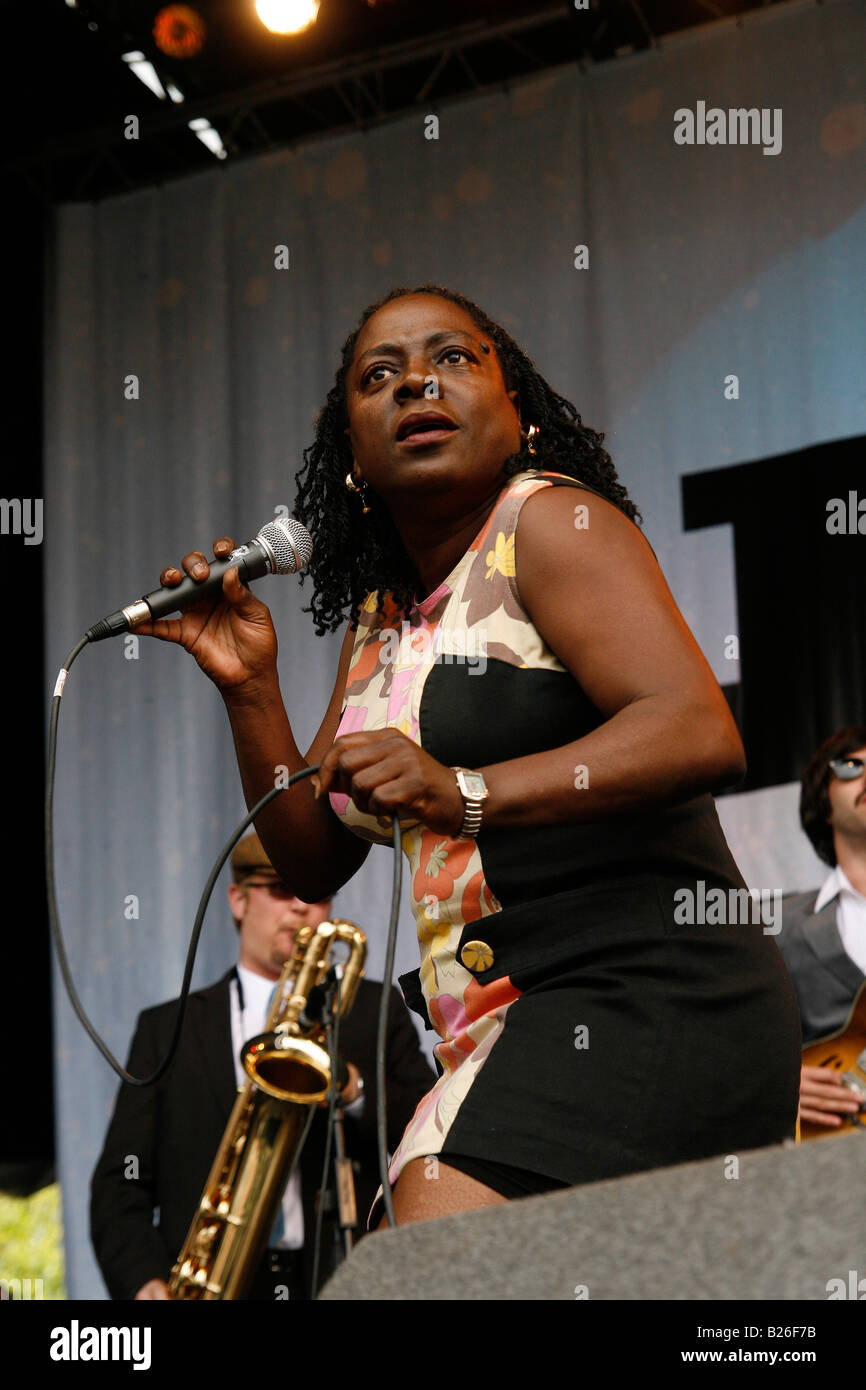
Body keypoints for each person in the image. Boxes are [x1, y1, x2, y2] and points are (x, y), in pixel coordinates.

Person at [135, 282, 802, 1231]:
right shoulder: (381, 619)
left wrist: (467, 792)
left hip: (646, 991)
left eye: (452, 358)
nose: (417, 383)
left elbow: (698, 728)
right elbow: (315, 855)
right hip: (497, 1029)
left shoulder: (549, 523)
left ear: (517, 411)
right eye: (382, 375)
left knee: (427, 1264)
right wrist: (250, 691)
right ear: (352, 456)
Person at [89, 832, 435, 1298]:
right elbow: (119, 1186)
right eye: (279, 890)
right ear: (238, 900)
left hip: (341, 1275)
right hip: (217, 1279)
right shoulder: (166, 1028)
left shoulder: (375, 1009)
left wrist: (351, 1087)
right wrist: (145, 1282)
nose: (299, 907)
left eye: (315, 894)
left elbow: (426, 1135)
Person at [778, 726, 866, 1131]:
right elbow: (727, 1043)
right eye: (851, 767)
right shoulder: (776, 928)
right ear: (824, 805)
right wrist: (776, 1088)